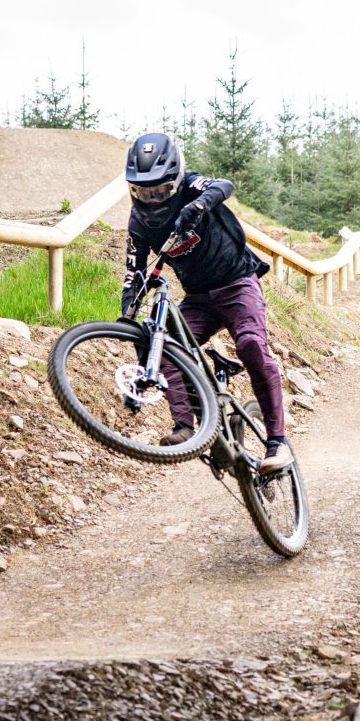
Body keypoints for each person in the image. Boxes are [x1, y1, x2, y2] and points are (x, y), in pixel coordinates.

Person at [120, 132, 293, 474]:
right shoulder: (139, 223)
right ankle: (186, 426)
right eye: (143, 191)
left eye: (161, 190)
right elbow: (133, 273)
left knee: (251, 345)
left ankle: (278, 442)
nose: (153, 199)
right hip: (198, 299)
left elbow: (223, 185)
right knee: (165, 347)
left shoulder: (192, 186)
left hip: (237, 283)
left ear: (177, 180)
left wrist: (198, 205)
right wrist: (127, 315)